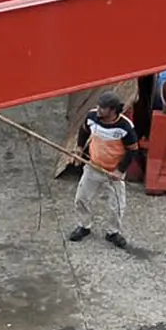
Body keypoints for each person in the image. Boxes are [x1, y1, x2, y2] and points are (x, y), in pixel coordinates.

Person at [69, 95, 135, 250]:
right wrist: (79, 149)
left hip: (113, 172)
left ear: (112, 110)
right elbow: (84, 131)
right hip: (93, 166)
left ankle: (113, 232)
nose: (98, 110)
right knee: (81, 199)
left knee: (117, 206)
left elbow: (133, 151)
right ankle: (84, 226)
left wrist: (120, 171)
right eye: (98, 106)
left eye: (102, 108)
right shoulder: (92, 117)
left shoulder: (125, 127)